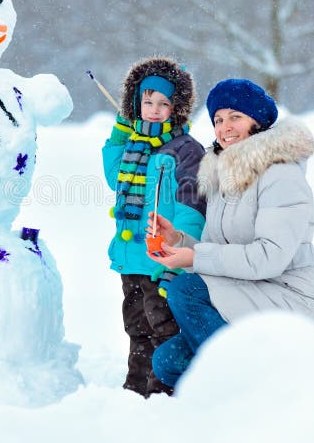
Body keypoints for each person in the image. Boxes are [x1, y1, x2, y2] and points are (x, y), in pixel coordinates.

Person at [146, 78, 314, 388]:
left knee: (186, 290)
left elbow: (268, 258)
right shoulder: (225, 174)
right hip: (246, 291)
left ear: (257, 122)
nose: (225, 127)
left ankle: (246, 386)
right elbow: (217, 251)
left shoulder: (281, 174)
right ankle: (230, 385)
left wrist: (196, 256)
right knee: (167, 361)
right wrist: (178, 241)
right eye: (218, 120)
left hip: (291, 296)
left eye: (235, 117)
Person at [102, 56, 206, 397]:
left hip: (161, 259)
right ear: (136, 104)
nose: (154, 110)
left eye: (164, 103)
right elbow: (113, 175)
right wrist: (120, 131)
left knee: (164, 327)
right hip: (131, 258)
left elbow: (190, 207)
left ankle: (165, 391)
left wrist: (180, 251)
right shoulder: (133, 144)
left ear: (177, 108)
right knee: (136, 327)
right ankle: (136, 388)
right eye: (147, 102)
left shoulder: (184, 150)